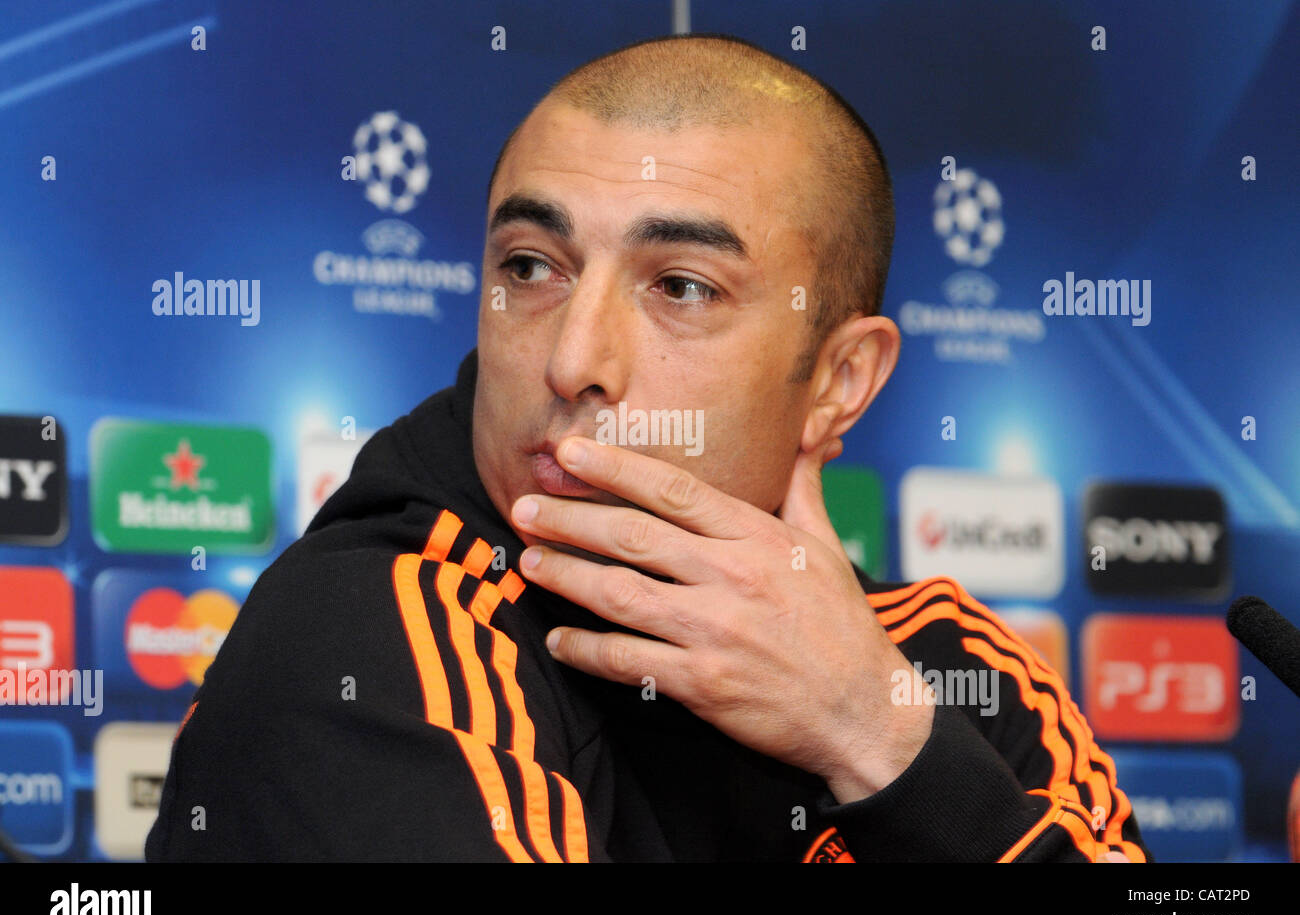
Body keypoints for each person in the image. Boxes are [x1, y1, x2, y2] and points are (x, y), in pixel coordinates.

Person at [146, 33, 1148, 862]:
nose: (573, 358)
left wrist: (879, 739)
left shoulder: (947, 665)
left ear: (838, 382)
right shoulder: (371, 629)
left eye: (679, 286)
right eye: (532, 266)